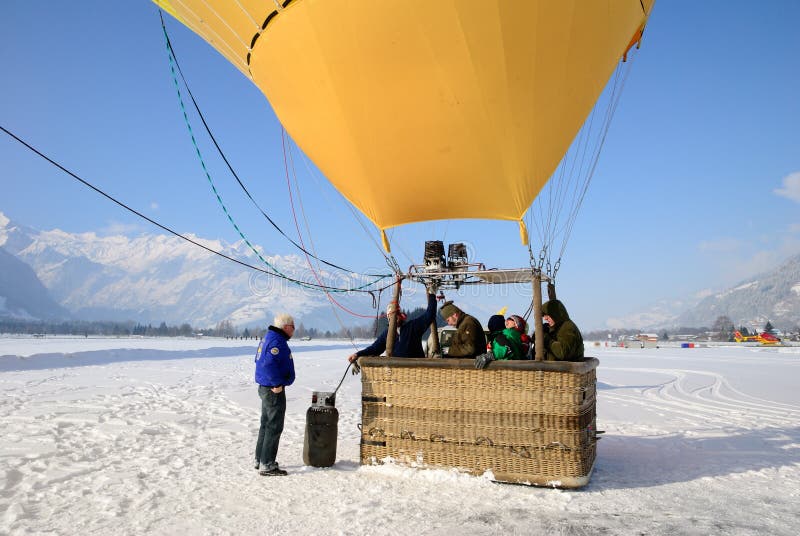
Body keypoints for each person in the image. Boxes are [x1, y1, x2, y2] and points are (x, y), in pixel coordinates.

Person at [254, 313, 296, 476]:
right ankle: (267, 464)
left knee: (266, 424)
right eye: (293, 327)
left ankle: (261, 459)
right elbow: (267, 364)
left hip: (266, 387)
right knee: (273, 425)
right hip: (273, 389)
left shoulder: (270, 337)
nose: (294, 330)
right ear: (286, 327)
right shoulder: (276, 341)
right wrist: (277, 384)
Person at [348, 291, 438, 362]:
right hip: (397, 371)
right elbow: (375, 348)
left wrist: (432, 295)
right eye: (391, 316)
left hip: (416, 369)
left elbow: (429, 315)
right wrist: (358, 354)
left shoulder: (413, 327)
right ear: (388, 318)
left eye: (396, 315)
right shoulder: (387, 334)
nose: (394, 318)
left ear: (400, 315)